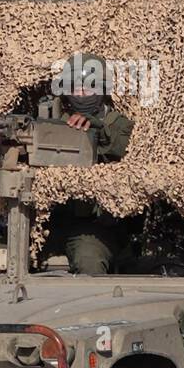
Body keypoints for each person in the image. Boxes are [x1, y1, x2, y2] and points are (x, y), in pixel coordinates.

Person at [49, 52, 133, 274]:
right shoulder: (55, 122)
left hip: (95, 227)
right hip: (52, 222)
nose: (82, 95)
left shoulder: (119, 125)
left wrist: (96, 129)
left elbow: (120, 148)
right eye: (76, 88)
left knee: (90, 261)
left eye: (89, 88)